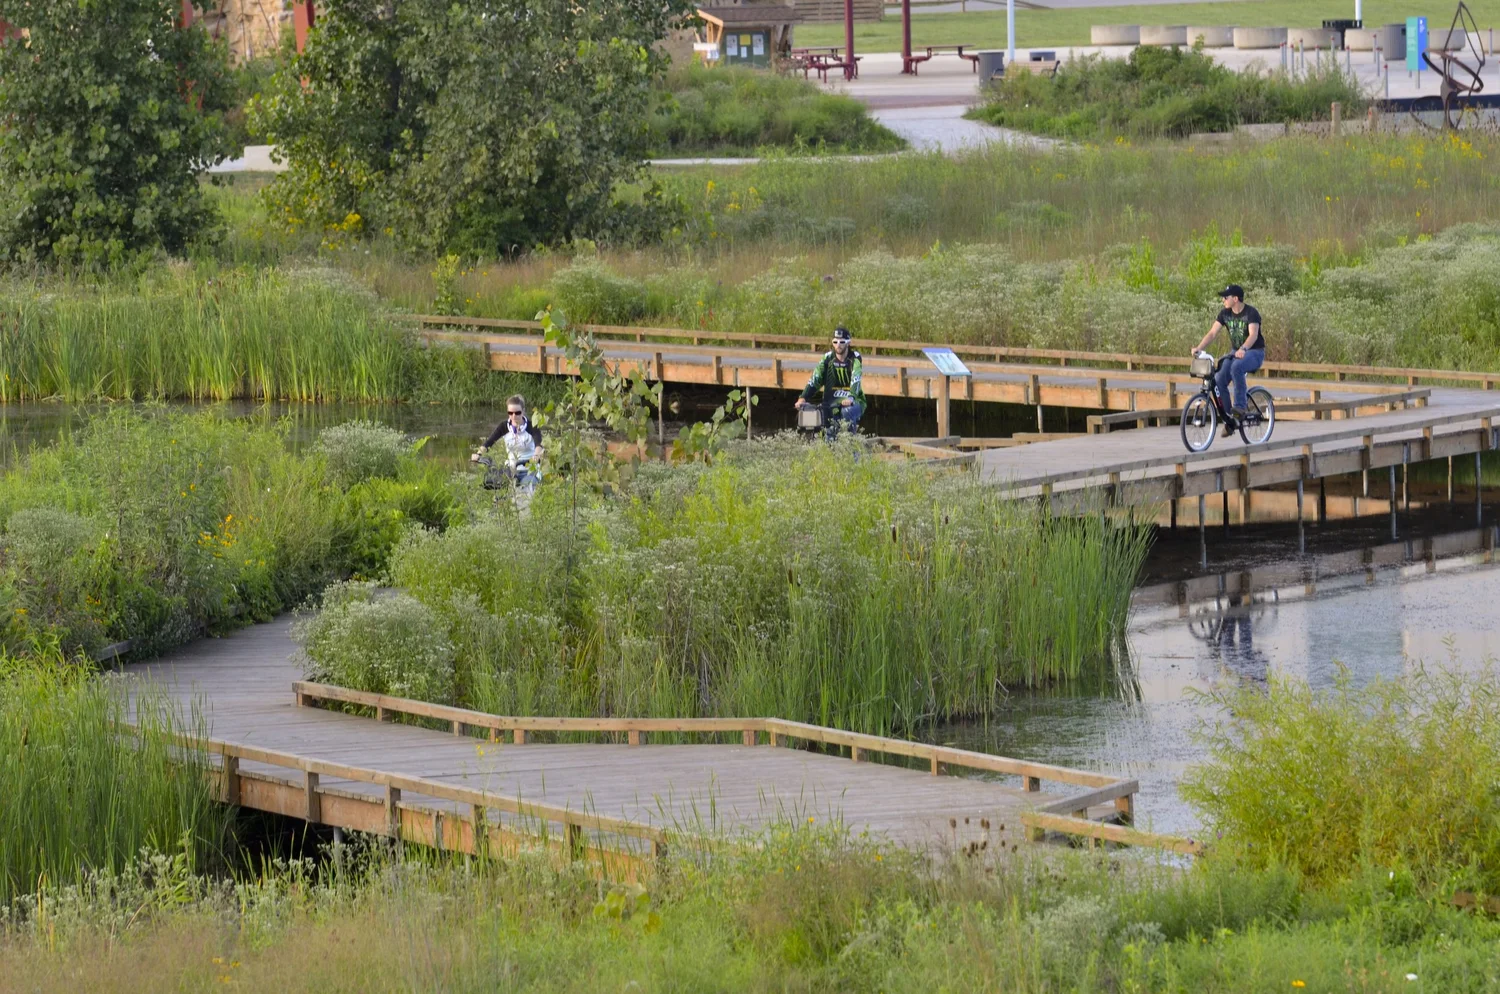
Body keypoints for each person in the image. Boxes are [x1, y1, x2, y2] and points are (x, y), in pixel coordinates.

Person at [1192, 284, 1263, 418]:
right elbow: (1212, 333)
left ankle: (1240, 406)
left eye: (1225, 297)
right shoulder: (1225, 314)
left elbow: (1253, 335)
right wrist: (1199, 348)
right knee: (1218, 379)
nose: (1223, 300)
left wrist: (1243, 349)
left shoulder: (1251, 313)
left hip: (1254, 352)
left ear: (1235, 299)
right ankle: (1229, 417)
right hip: (1236, 352)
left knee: (1236, 367)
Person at [795, 326, 865, 439]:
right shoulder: (827, 358)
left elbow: (855, 378)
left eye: (842, 342)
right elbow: (815, 379)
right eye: (835, 342)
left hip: (854, 401)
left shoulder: (854, 358)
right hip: (830, 402)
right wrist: (803, 397)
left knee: (846, 412)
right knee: (811, 414)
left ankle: (850, 444)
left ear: (848, 343)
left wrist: (851, 397)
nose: (838, 345)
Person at [473, 395, 543, 491]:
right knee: (496, 487)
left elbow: (538, 444)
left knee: (526, 489)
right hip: (510, 470)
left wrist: (536, 455)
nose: (514, 416)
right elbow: (488, 443)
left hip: (528, 469)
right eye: (510, 413)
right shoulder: (503, 426)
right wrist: (478, 454)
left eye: (517, 413)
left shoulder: (532, 426)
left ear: (523, 411)